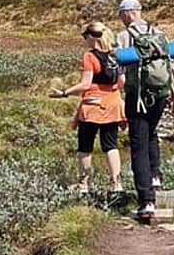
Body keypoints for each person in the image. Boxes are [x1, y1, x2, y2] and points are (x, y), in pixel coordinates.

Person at [115, 0, 174, 221]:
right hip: (161, 94)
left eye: (121, 15)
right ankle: (156, 177)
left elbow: (119, 69)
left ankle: (147, 200)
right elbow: (169, 66)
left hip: (138, 98)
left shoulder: (124, 36)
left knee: (138, 145)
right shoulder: (160, 33)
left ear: (127, 14)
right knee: (152, 133)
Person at [49, 21, 126, 193]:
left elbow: (85, 84)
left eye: (85, 36)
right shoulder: (116, 55)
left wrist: (64, 92)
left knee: (85, 145)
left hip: (92, 106)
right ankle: (116, 184)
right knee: (111, 145)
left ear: (92, 37)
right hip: (113, 105)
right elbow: (122, 82)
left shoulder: (90, 56)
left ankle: (83, 184)